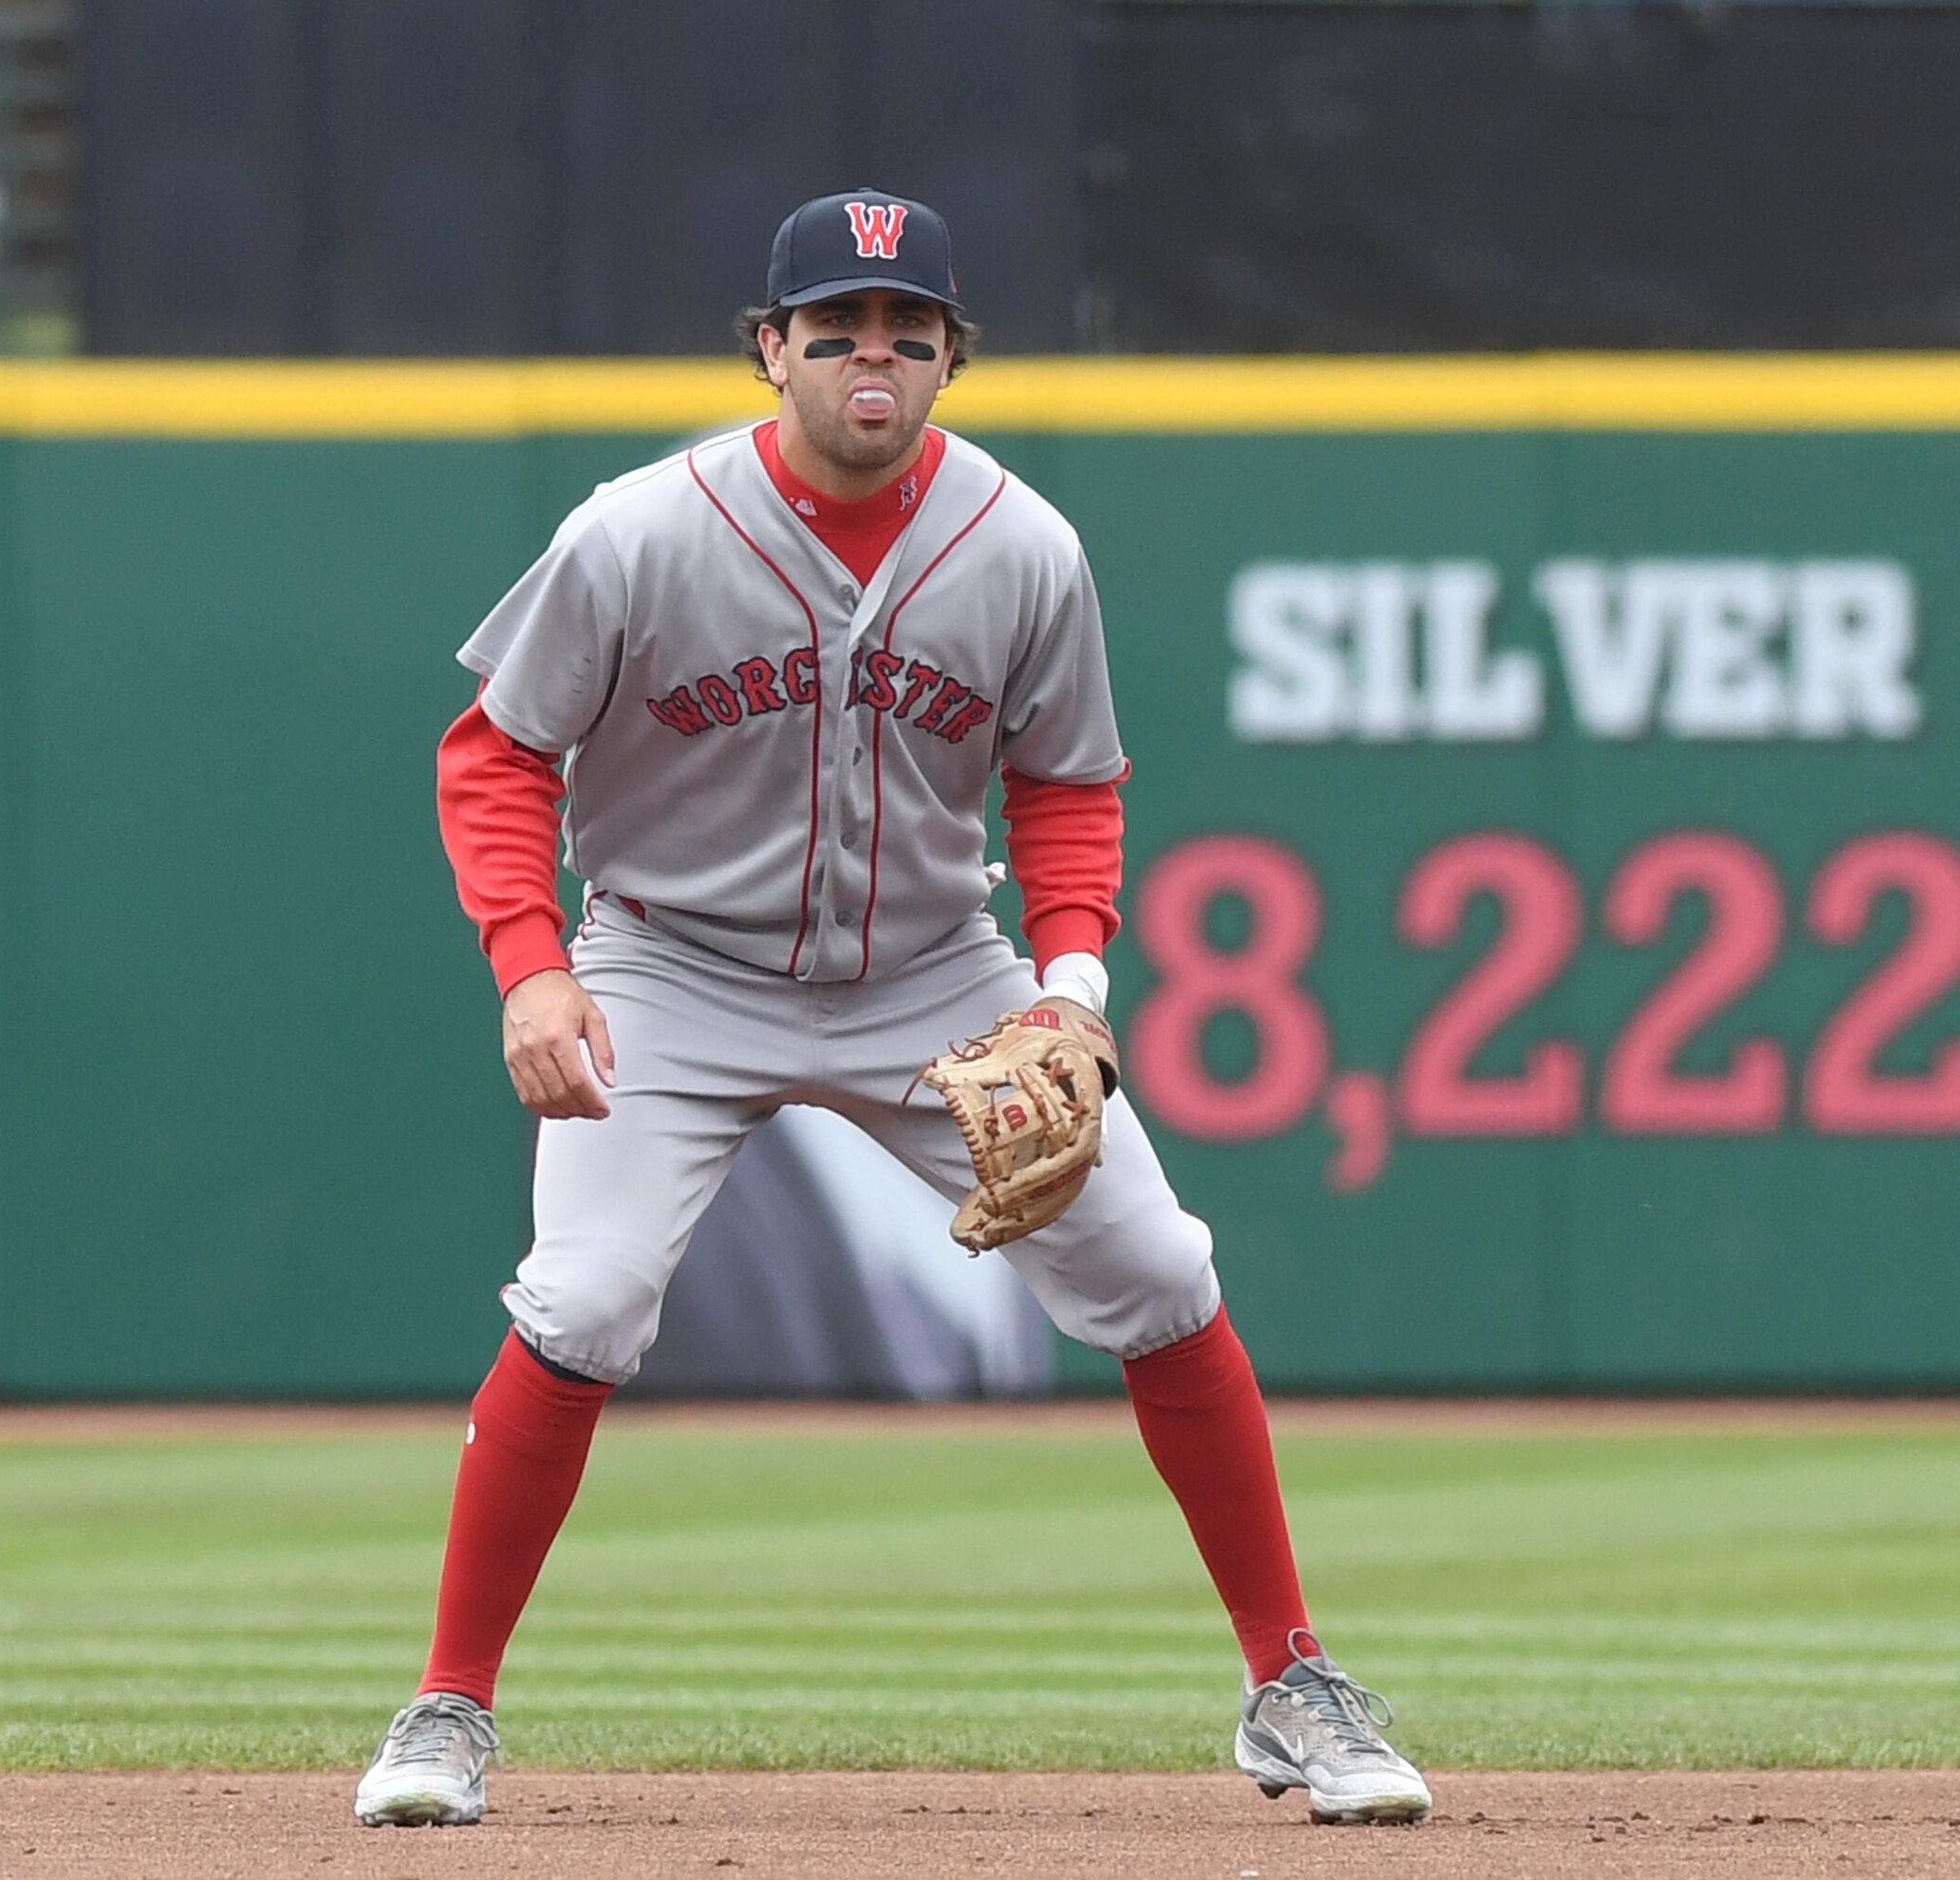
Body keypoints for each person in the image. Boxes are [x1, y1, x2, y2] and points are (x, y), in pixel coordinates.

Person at [355, 189, 1432, 1829]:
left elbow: (1070, 787)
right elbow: (494, 753)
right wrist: (530, 961)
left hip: (935, 974)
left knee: (1158, 1267)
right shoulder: (640, 529)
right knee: (583, 1299)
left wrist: (1068, 995)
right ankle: (445, 1709)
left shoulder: (1023, 546)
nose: (876, 354)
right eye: (839, 328)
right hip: (670, 963)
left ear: (950, 359)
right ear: (770, 348)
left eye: (909, 332)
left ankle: (1293, 1685)